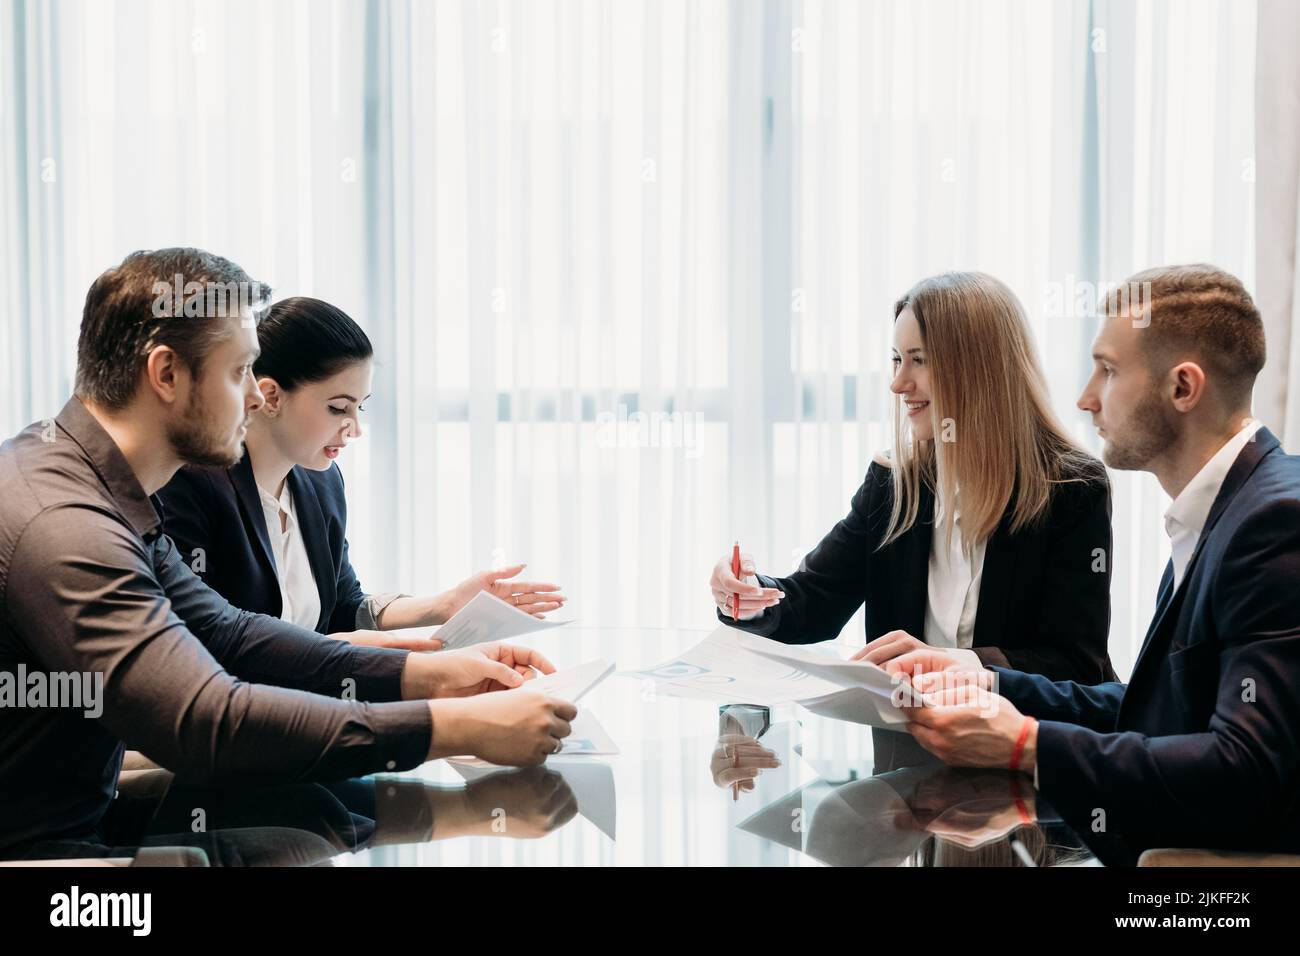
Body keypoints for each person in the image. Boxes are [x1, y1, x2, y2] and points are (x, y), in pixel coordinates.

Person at [0, 248, 575, 858]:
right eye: (240, 371)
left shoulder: (94, 483)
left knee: (310, 822)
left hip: (81, 816)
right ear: (166, 374)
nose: (255, 397)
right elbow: (204, 722)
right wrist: (452, 726)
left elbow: (230, 632)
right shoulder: (68, 524)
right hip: (42, 849)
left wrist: (429, 675)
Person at [888, 265, 1300, 863]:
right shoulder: (1226, 510)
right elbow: (1163, 714)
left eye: (1107, 370)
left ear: (1183, 388)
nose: (1085, 397)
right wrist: (988, 681)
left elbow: (1247, 768)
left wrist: (1027, 745)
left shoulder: (1273, 523)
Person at [710, 271, 1116, 683]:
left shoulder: (1071, 489)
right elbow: (812, 602)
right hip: (908, 739)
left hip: (1016, 741)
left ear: (979, 369)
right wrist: (749, 595)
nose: (898, 383)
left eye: (918, 360)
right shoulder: (893, 482)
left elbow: (1077, 665)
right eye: (896, 359)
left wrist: (961, 665)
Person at [156, 296, 566, 652]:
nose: (354, 428)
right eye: (338, 407)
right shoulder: (191, 484)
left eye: (360, 407)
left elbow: (343, 605)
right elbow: (199, 642)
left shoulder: (321, 482)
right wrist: (334, 653)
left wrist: (442, 606)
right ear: (272, 396)